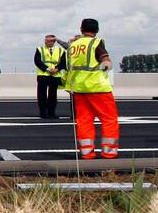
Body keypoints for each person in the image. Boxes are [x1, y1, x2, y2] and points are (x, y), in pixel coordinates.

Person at [64, 18, 118, 160]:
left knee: (84, 120)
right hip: (98, 87)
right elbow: (106, 62)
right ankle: (109, 153)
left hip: (79, 88)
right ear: (97, 30)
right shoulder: (96, 42)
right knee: (109, 119)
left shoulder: (73, 45)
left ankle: (87, 153)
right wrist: (107, 66)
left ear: (81, 29)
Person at [34, 33, 66, 119]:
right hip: (43, 74)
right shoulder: (40, 49)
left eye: (49, 41)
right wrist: (47, 69)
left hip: (55, 75)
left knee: (53, 95)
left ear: (54, 41)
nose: (47, 42)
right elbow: (37, 61)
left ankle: (51, 113)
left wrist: (57, 69)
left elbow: (63, 62)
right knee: (42, 95)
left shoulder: (60, 50)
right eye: (46, 40)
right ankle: (43, 113)